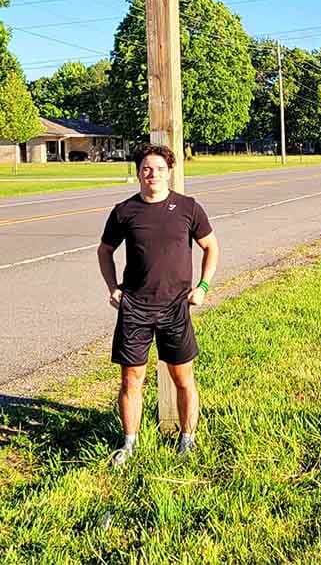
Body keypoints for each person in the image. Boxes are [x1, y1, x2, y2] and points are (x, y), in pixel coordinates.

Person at [97, 142, 219, 466]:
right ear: (139, 172)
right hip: (135, 307)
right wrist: (112, 288)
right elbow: (104, 250)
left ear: (169, 173)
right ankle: (129, 444)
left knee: (183, 378)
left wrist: (203, 287)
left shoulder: (188, 208)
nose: (153, 174)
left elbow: (211, 247)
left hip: (175, 307)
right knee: (130, 379)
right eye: (147, 169)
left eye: (160, 169)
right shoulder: (124, 211)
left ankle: (187, 440)